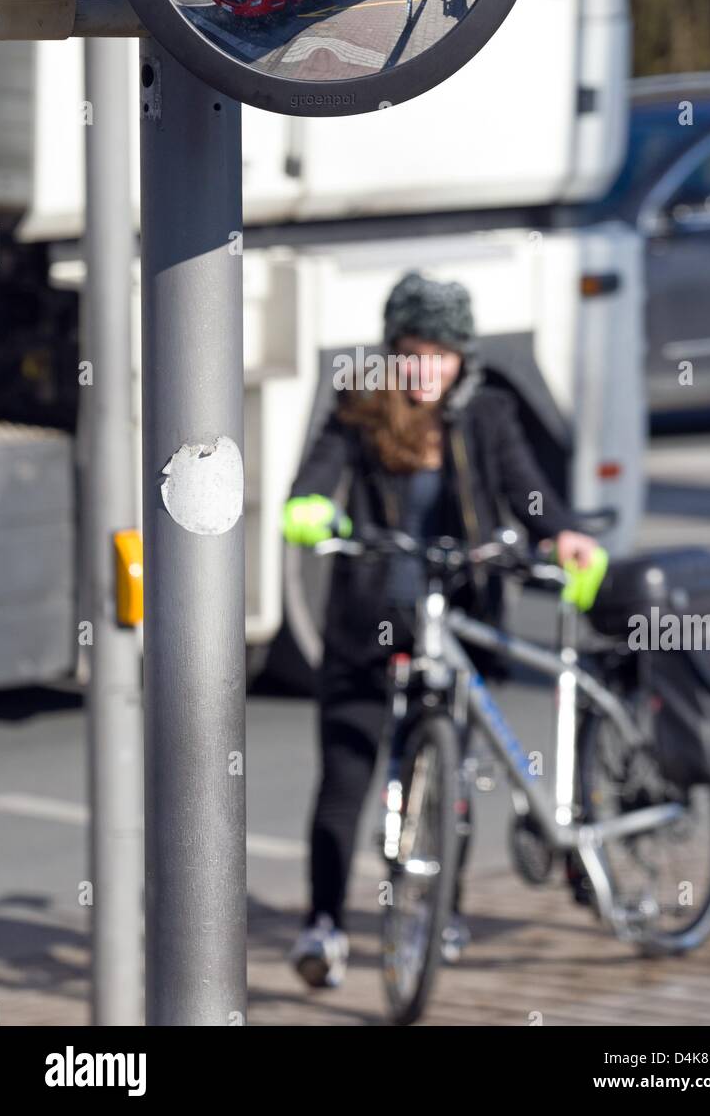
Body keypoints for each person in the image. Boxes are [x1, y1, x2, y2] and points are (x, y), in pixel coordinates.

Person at [282, 272, 601, 989]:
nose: (426, 371)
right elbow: (318, 473)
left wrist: (562, 534)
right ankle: (324, 924)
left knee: (449, 776)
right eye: (413, 353)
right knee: (345, 775)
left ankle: (445, 910)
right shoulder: (359, 407)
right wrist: (306, 506)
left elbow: (526, 490)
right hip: (369, 620)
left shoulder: (486, 414)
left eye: (442, 355)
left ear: (463, 358)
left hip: (458, 619)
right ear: (391, 351)